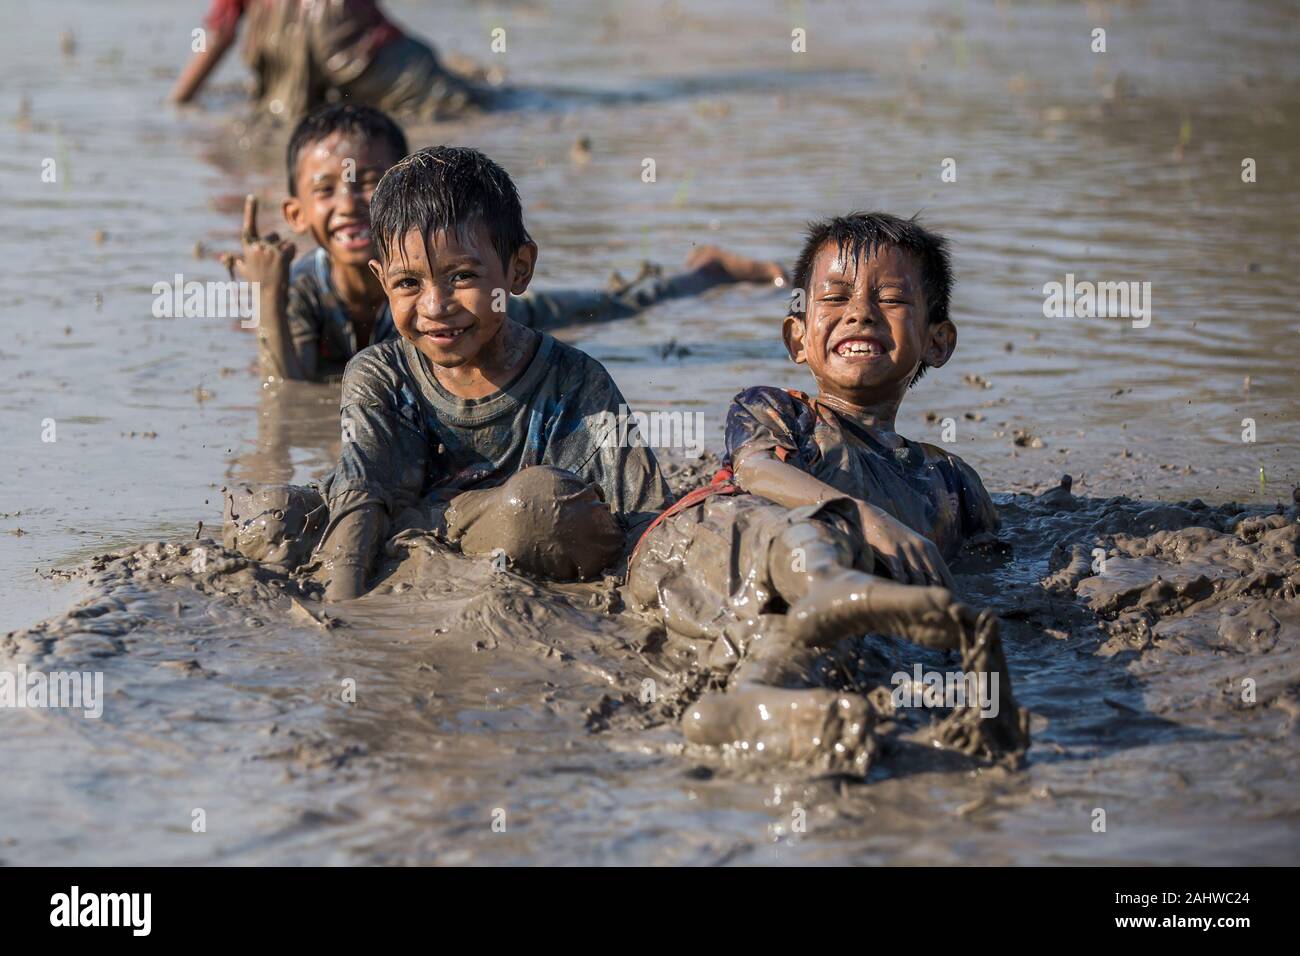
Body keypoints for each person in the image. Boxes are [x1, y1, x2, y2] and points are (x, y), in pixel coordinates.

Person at [626, 212, 1030, 773]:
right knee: (808, 534)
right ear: (798, 337)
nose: (859, 312)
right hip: (722, 547)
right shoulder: (779, 409)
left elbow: (993, 573)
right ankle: (832, 588)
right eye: (834, 298)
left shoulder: (953, 482)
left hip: (803, 605)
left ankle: (749, 708)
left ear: (938, 342)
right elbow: (757, 470)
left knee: (799, 637)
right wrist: (863, 517)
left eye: (889, 298)